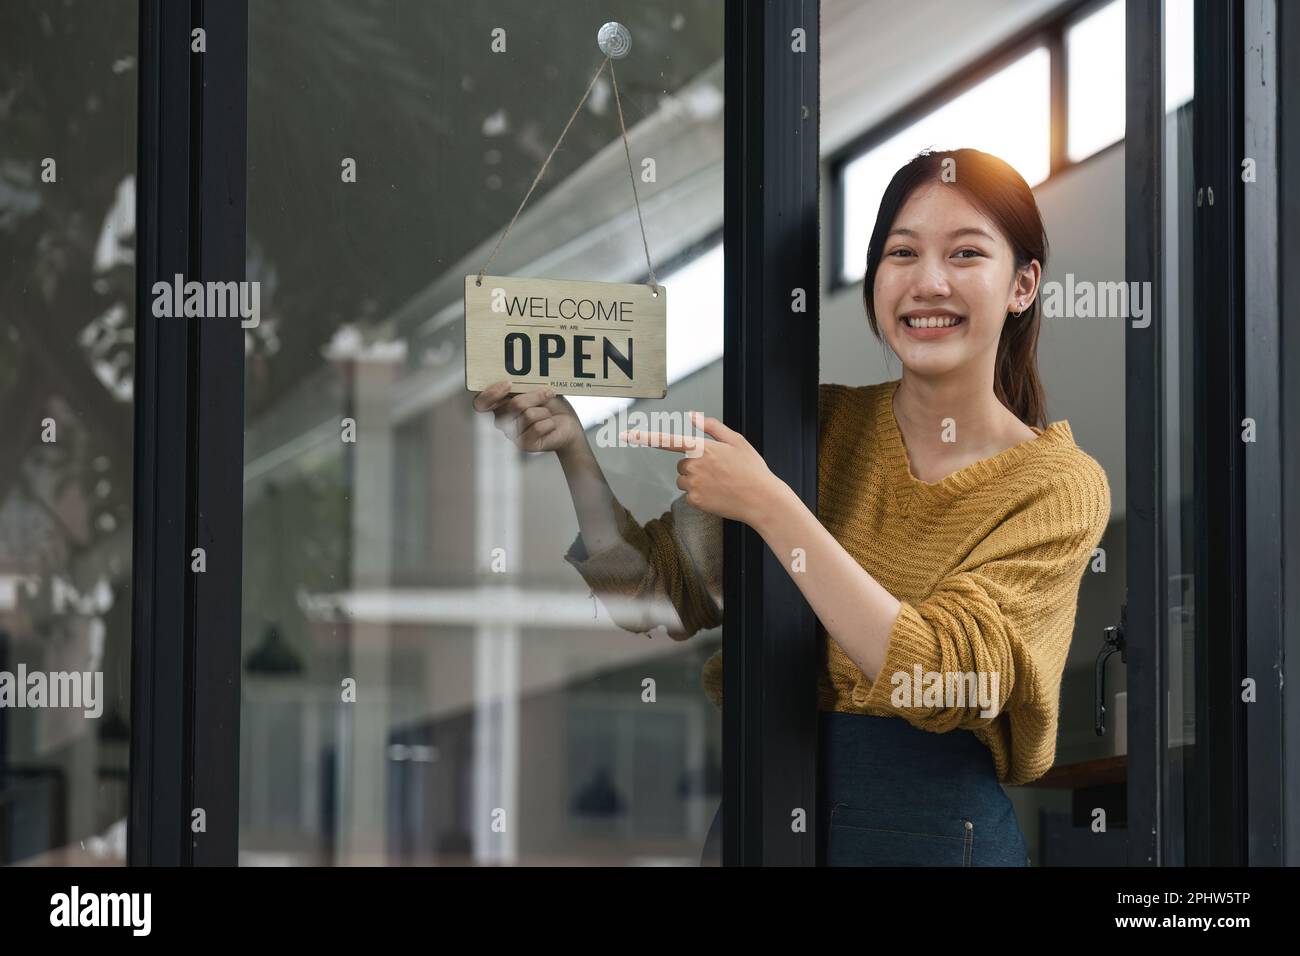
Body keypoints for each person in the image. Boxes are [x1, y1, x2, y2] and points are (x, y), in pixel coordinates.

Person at [472, 148, 1111, 867]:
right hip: (762, 815)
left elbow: (938, 675)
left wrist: (771, 505)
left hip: (934, 840)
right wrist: (572, 448)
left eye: (965, 254)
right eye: (901, 253)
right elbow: (653, 595)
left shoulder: (1057, 483)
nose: (928, 282)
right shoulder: (814, 428)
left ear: (1023, 284)